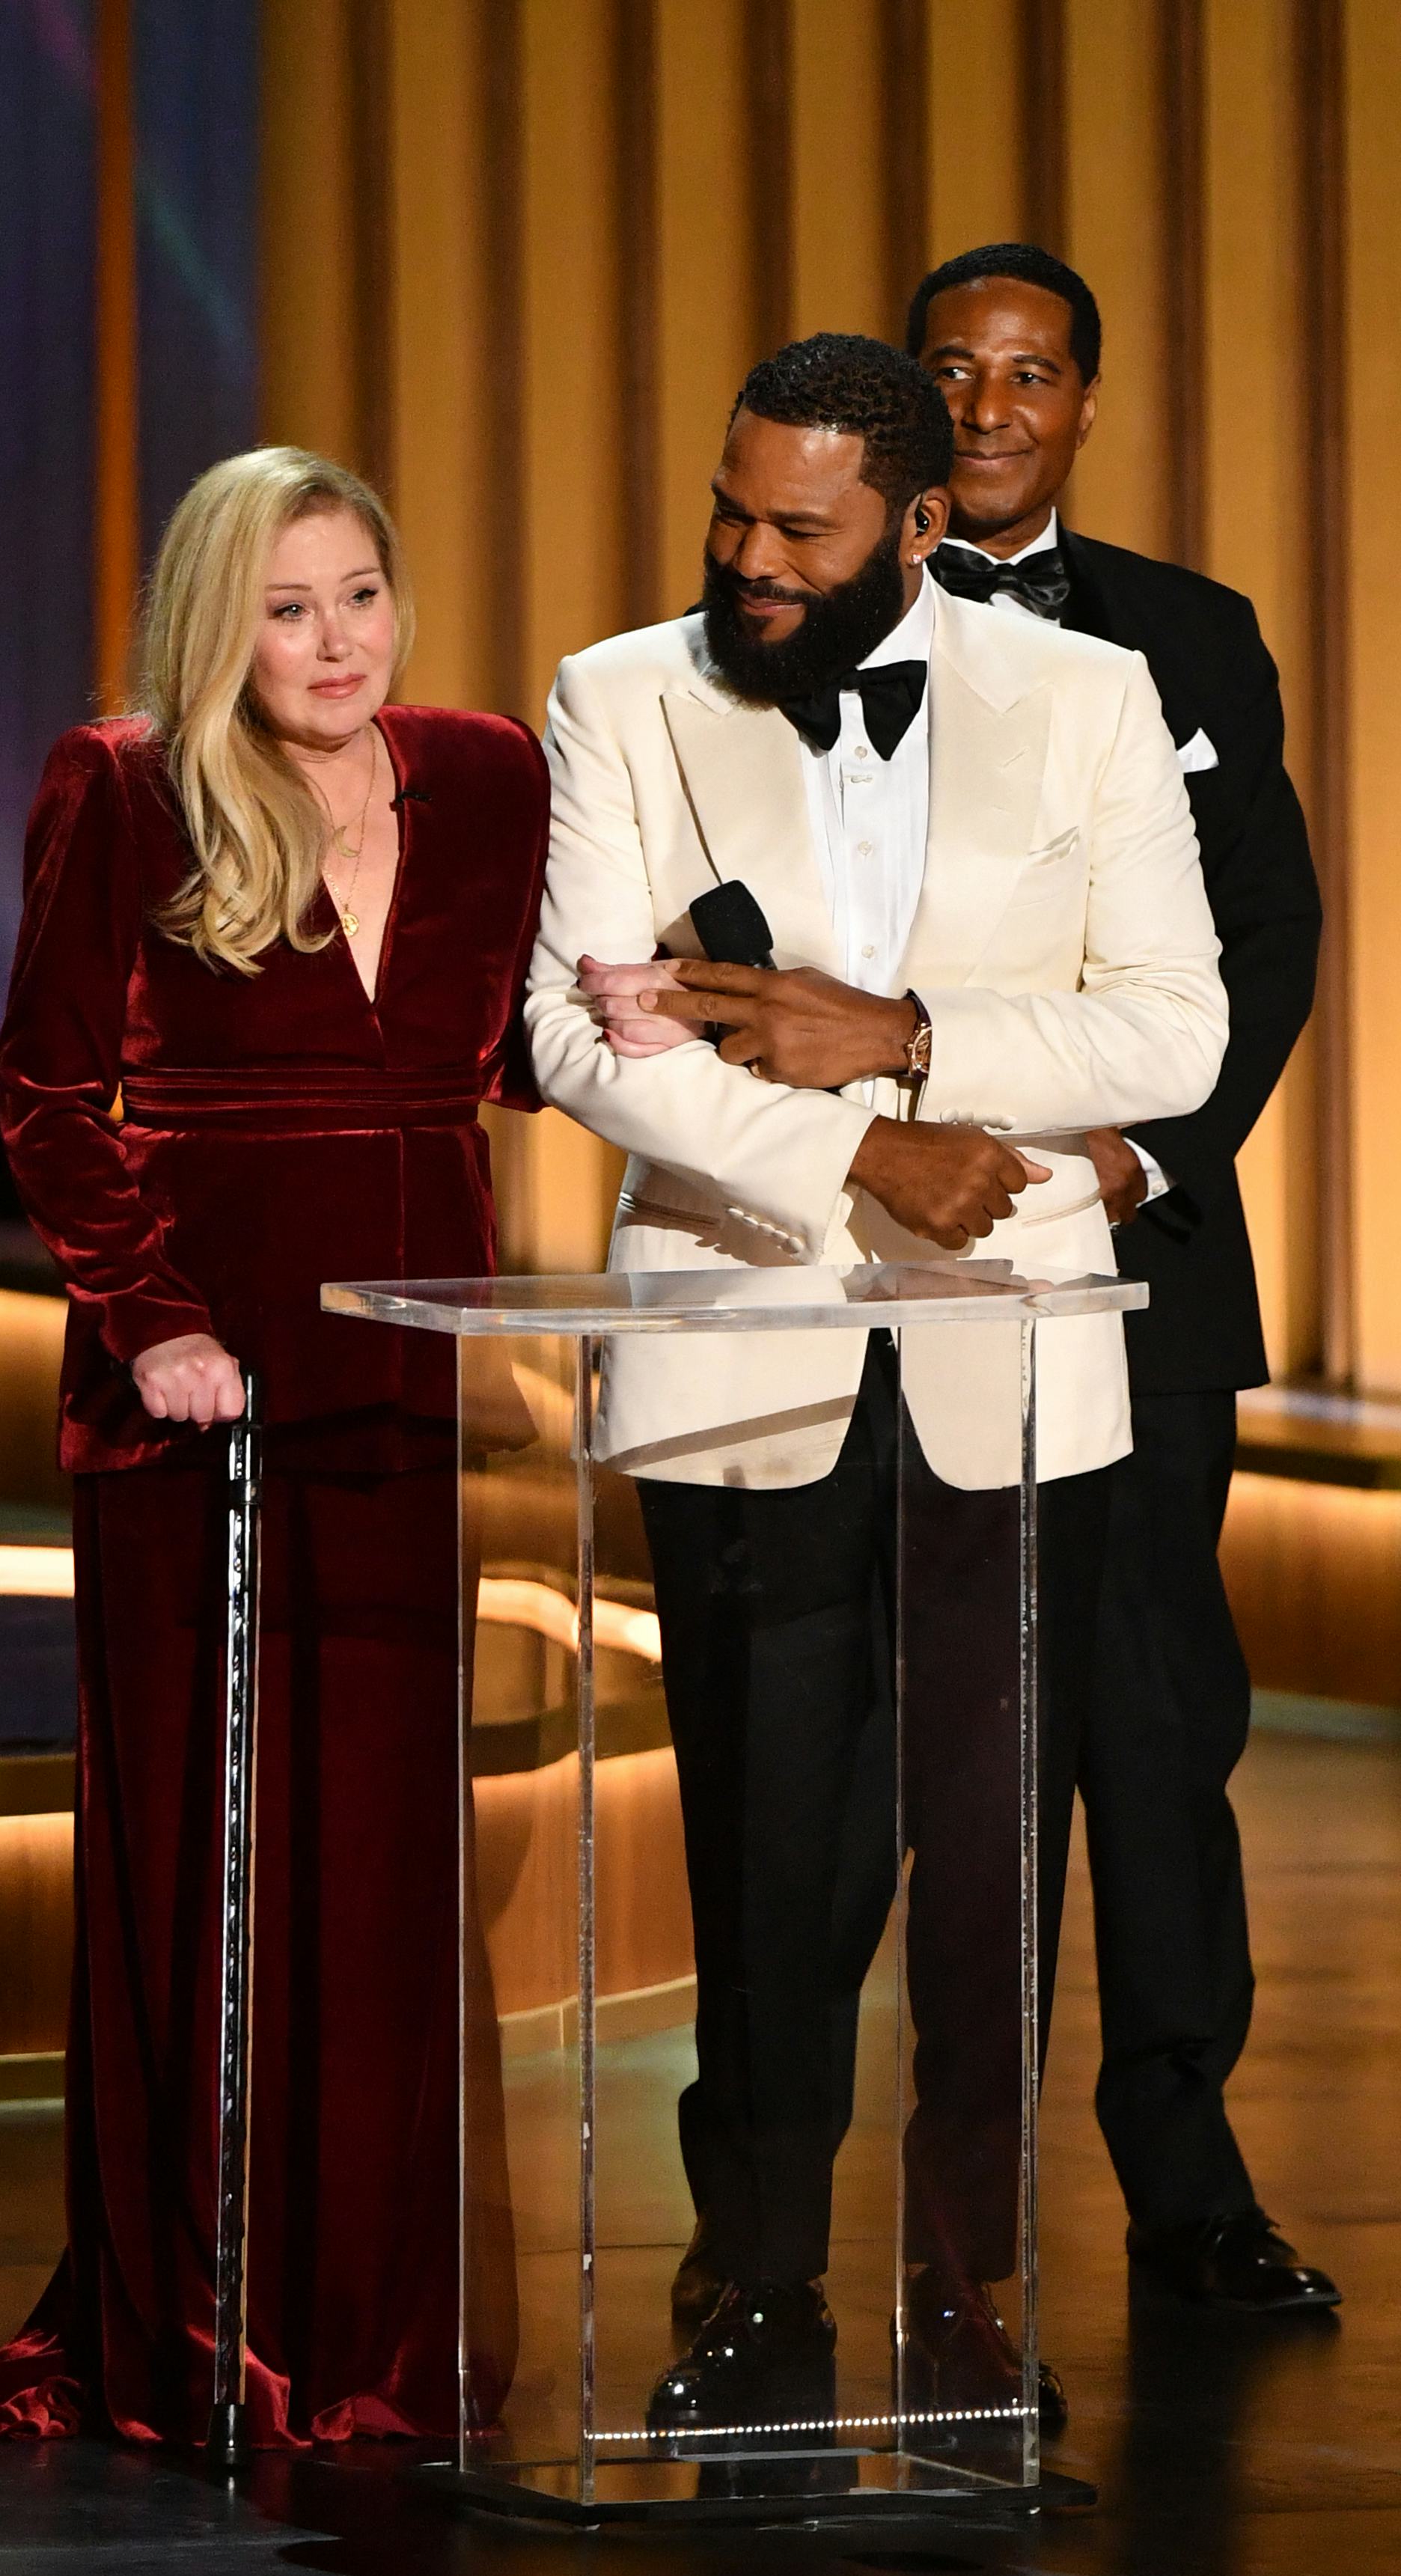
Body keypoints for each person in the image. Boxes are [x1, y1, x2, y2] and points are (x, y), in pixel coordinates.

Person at [0, 448, 548, 2450]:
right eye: (285, 607)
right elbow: (51, 1097)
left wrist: (654, 1020)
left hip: (414, 1377)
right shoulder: (126, 780)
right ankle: (203, 2337)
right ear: (212, 618)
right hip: (197, 1406)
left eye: (360, 597)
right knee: (209, 1873)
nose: (333, 645)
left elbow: (491, 1054)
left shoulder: (490, 774)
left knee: (386, 1878)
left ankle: (378, 2344)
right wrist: (153, 1321)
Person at [528, 333, 1227, 2429]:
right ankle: (749, 2278)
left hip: (1015, 1363)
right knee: (767, 1854)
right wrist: (867, 1147)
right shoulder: (620, 695)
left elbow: (1173, 1034)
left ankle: (967, 2290)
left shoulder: (1090, 699)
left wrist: (907, 1038)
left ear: (918, 522)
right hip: (748, 1343)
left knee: (994, 1861)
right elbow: (588, 1044)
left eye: (797, 526)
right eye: (732, 510)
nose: (748, 555)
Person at [908, 242, 1336, 2316]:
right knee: (929, 1747)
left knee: (1157, 1730)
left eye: (1033, 375)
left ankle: (1187, 2178)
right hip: (891, 1263)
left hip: (1146, 1263)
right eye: (956, 373)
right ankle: (939, 2227)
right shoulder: (798, 634)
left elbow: (1269, 936)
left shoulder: (1192, 635)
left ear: (1087, 404)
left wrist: (1149, 1150)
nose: (993, 410)